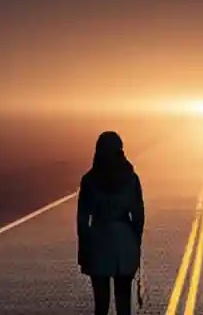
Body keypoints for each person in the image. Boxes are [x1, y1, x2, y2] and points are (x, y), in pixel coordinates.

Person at [77, 131, 144, 315]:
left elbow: (82, 220)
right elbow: (138, 215)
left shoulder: (89, 181)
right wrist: (136, 243)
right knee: (123, 303)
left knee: (101, 305)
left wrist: (84, 249)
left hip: (98, 241)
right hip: (124, 242)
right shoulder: (131, 179)